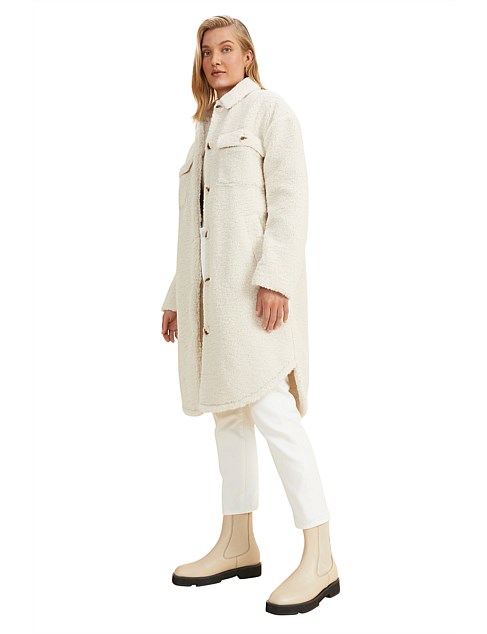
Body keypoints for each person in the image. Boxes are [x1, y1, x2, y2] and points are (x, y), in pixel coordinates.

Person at [160, 15, 340, 615]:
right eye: (206, 51)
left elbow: (290, 202)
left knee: (274, 413)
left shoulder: (270, 113)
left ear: (248, 57)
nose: (215, 59)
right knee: (229, 418)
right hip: (213, 305)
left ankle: (320, 556)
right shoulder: (205, 129)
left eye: (226, 48)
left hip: (256, 298)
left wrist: (275, 279)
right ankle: (237, 542)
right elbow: (200, 228)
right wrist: (176, 295)